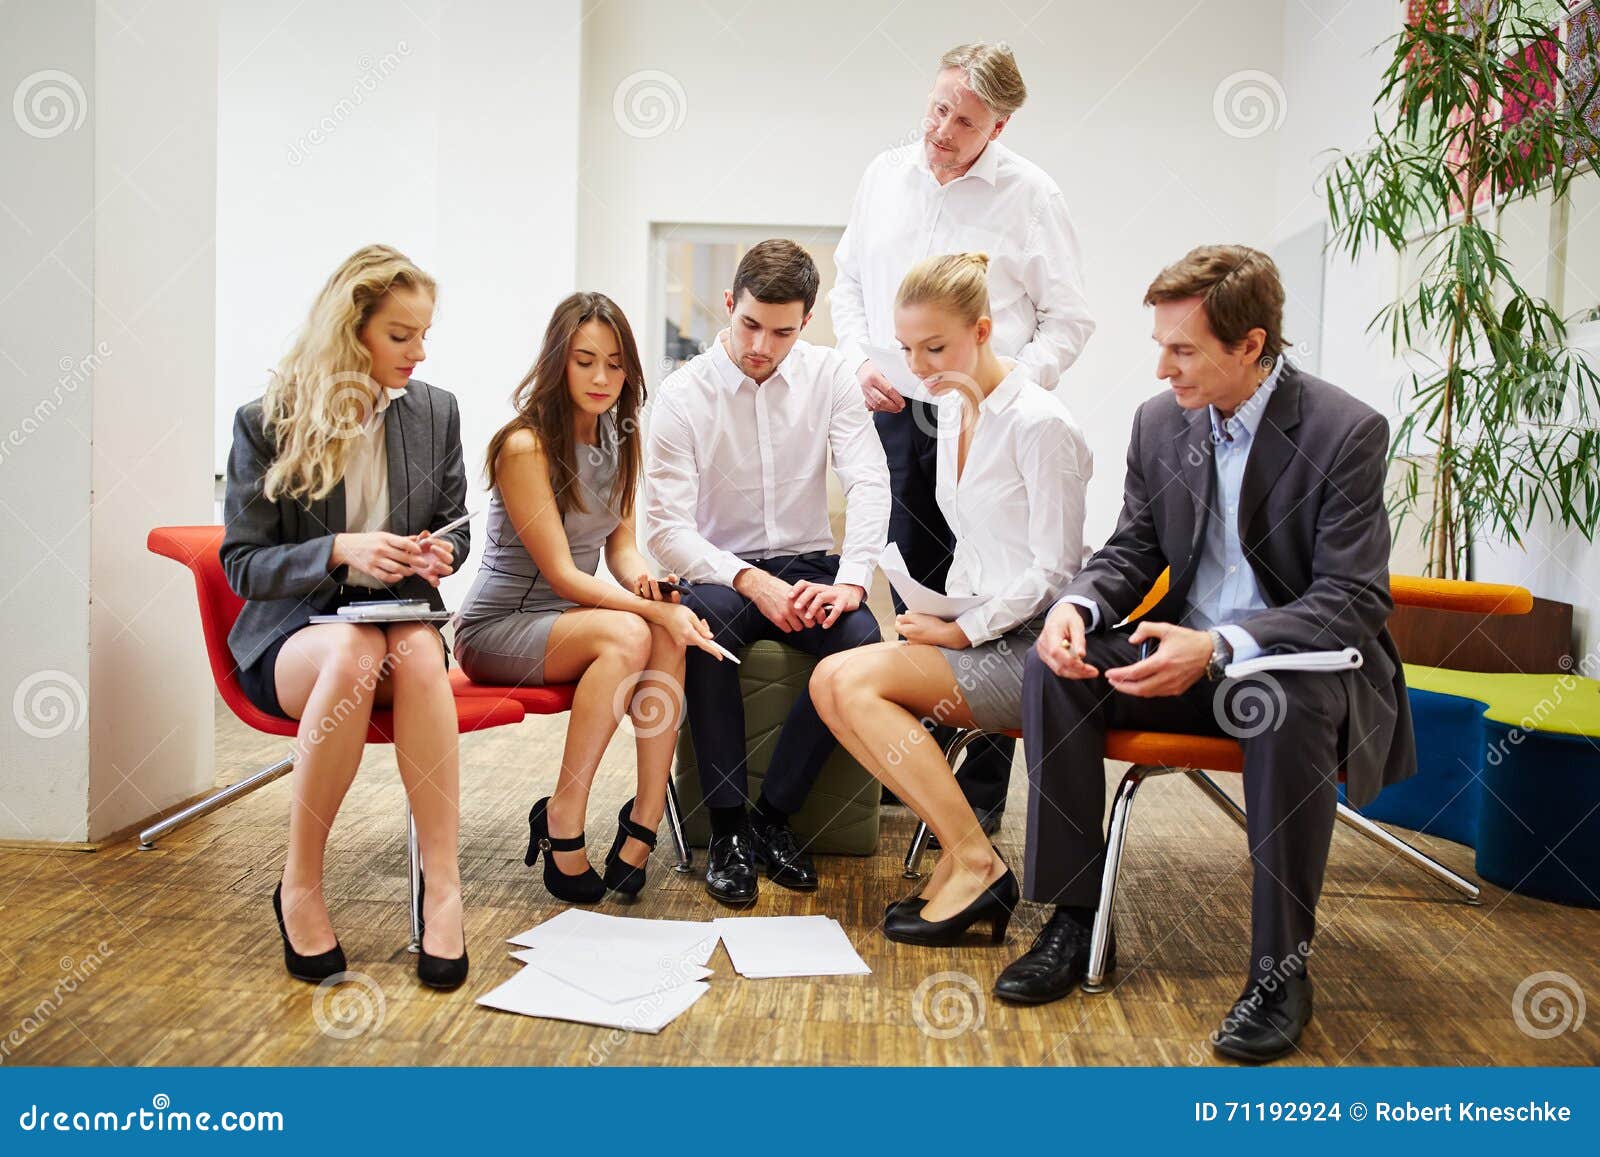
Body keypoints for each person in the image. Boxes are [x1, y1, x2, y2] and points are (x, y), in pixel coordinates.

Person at [1001, 245, 1416, 1063]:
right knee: (1055, 671)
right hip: (1180, 657)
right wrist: (1076, 607)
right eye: (1161, 345)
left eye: (1183, 350)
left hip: (1293, 668)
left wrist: (1223, 644)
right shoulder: (1162, 424)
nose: (1163, 369)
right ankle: (1075, 918)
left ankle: (1279, 973)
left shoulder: (1344, 431)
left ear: (1251, 345)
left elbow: (1353, 598)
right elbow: (1134, 547)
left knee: (1284, 705)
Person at [831, 41, 1095, 833]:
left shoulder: (1032, 195)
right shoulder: (884, 175)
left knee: (990, 583)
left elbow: (1070, 317)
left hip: (983, 414)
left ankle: (978, 786)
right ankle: (915, 758)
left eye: (964, 121)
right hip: (893, 407)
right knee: (916, 581)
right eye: (938, 107)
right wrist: (857, 361)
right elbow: (848, 284)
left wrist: (1003, 392)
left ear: (999, 126)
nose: (942, 130)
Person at [812, 252, 1090, 946]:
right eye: (907, 349)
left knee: (852, 684)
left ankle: (975, 862)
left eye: (934, 348)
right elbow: (976, 547)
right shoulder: (953, 410)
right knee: (829, 681)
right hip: (981, 627)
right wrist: (940, 609)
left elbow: (1056, 568)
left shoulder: (1040, 424)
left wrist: (965, 630)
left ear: (983, 330)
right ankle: (967, 853)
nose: (919, 366)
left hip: (1035, 647)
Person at [222, 243, 471, 990]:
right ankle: (299, 882)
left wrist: (439, 554)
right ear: (350, 330)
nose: (419, 352)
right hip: (297, 636)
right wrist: (338, 549)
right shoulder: (268, 420)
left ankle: (443, 885)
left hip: (401, 624)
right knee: (356, 649)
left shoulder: (435, 411)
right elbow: (243, 565)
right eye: (400, 335)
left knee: (417, 651)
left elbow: (455, 526)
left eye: (424, 334)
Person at [644, 239, 891, 905]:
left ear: (806, 322)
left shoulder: (831, 376)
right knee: (705, 633)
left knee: (863, 644)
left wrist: (851, 580)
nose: (761, 345)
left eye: (782, 332)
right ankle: (727, 830)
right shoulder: (682, 394)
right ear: (729, 303)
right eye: (750, 324)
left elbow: (869, 481)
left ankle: (772, 818)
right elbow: (664, 529)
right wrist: (749, 580)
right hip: (721, 572)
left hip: (810, 564)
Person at [454, 292, 720, 904]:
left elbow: (620, 549)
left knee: (662, 629)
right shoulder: (525, 446)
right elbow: (562, 574)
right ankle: (564, 815)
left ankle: (645, 818)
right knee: (637, 630)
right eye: (585, 361)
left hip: (565, 622)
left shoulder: (620, 438)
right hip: (498, 626)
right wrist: (653, 610)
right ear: (558, 361)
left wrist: (647, 585)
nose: (602, 377)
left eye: (616, 364)